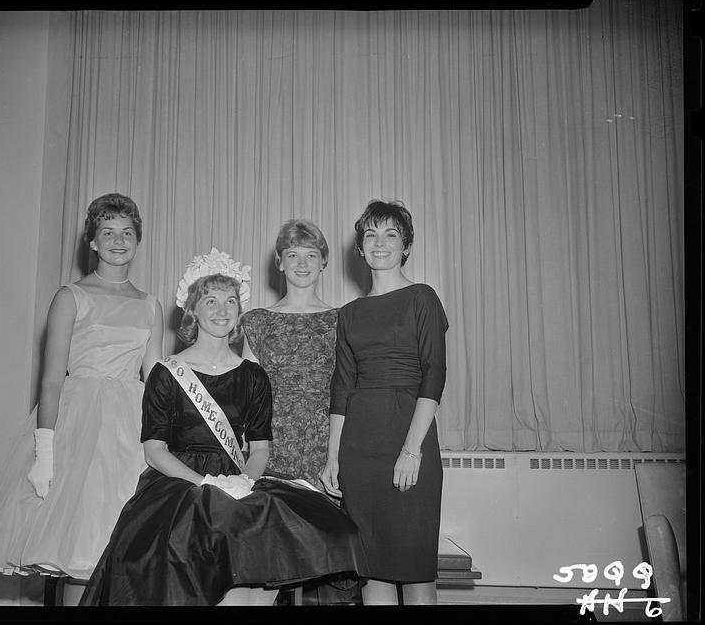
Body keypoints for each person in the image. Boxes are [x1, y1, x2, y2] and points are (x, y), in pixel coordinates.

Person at [79, 250, 367, 606]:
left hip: (238, 475)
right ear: (193, 310)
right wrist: (205, 484)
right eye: (210, 300)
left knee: (291, 532)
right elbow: (154, 451)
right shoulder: (167, 373)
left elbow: (259, 449)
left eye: (230, 300)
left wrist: (243, 481)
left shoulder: (253, 375)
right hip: (180, 481)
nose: (221, 309)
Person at [0, 193, 164, 605]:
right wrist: (45, 453)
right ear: (92, 241)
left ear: (138, 240)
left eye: (127, 232)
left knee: (128, 555)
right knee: (81, 554)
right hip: (80, 429)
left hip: (132, 432)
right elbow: (52, 382)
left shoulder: (150, 305)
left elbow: (157, 381)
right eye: (108, 232)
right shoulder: (71, 296)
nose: (118, 240)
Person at [321, 200, 449, 605]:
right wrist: (333, 458)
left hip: (408, 439)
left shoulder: (422, 298)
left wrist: (412, 450)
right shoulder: (349, 313)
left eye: (391, 234)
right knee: (370, 567)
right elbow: (342, 386)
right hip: (359, 449)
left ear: (405, 246)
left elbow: (434, 375)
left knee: (414, 567)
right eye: (370, 235)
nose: (380, 243)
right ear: (360, 248)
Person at [242, 220, 337, 488]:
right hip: (268, 445)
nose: (302, 263)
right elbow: (246, 394)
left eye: (311, 255)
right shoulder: (257, 321)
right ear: (280, 262)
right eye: (293, 255)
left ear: (323, 262)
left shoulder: (341, 320)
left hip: (325, 447)